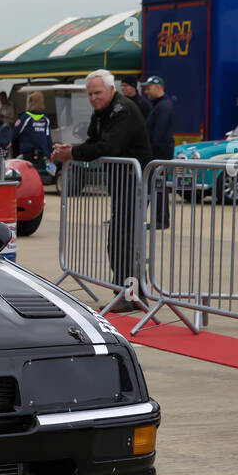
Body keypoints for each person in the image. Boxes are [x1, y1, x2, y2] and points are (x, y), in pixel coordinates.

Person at [50, 69, 152, 310]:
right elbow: (93, 143)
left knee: (123, 238)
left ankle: (130, 294)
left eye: (97, 92)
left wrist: (72, 153)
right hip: (121, 181)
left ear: (111, 89)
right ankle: (130, 291)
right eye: (90, 94)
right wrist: (72, 148)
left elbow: (110, 147)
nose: (93, 98)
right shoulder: (101, 112)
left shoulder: (123, 110)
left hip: (134, 182)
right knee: (120, 238)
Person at [10, 90, 52, 173]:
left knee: (28, 175)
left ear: (30, 102)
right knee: (37, 175)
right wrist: (49, 154)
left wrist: (6, 142)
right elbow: (48, 138)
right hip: (42, 153)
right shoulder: (45, 119)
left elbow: (15, 133)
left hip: (28, 153)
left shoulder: (25, 117)